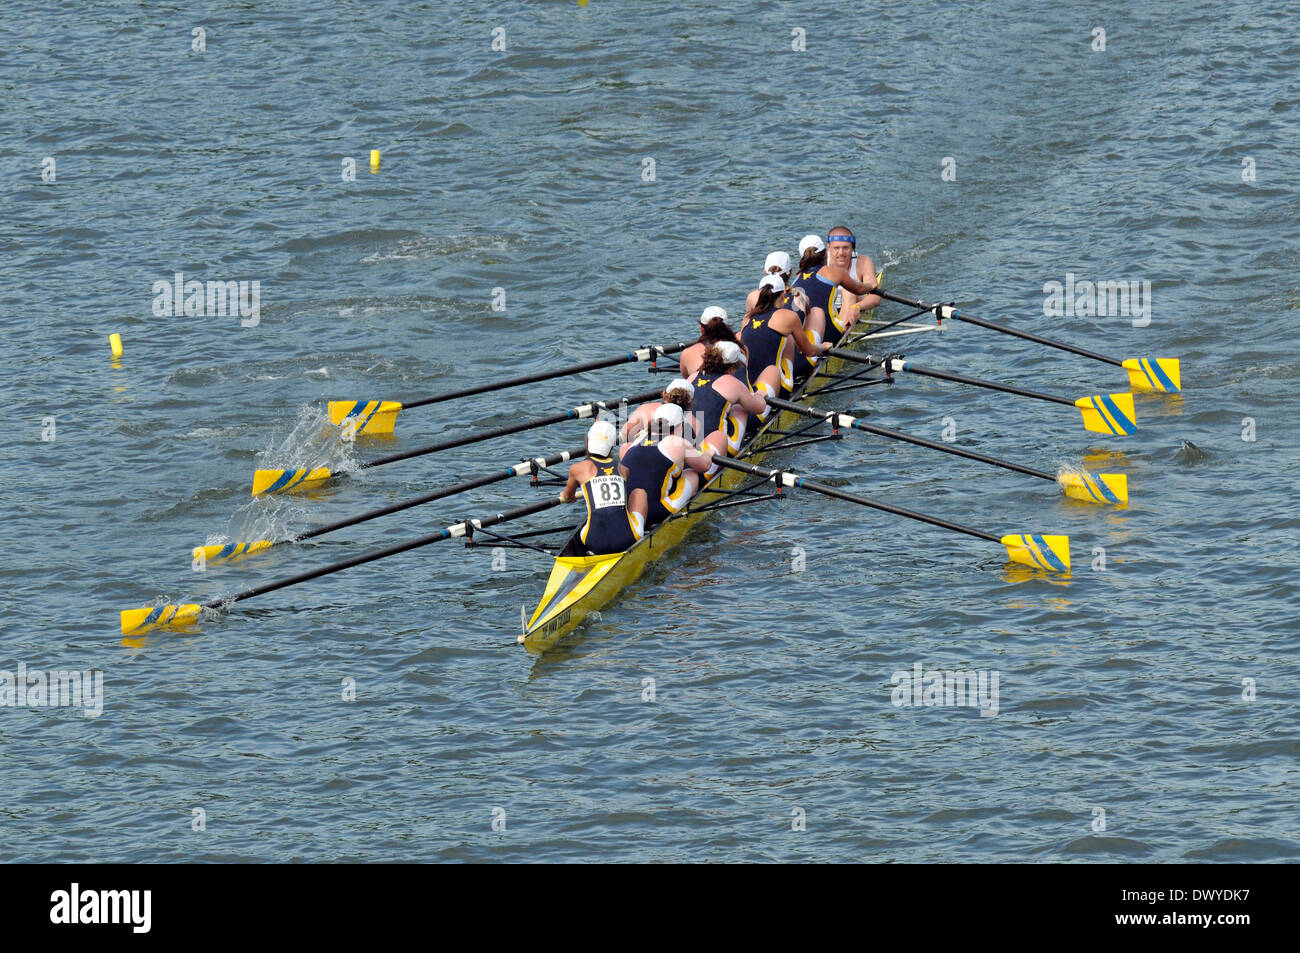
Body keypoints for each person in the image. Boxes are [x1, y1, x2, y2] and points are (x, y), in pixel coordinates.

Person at [620, 402, 712, 533]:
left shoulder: (638, 439)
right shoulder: (679, 442)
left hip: (629, 511)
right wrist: (709, 454)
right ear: (681, 425)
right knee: (692, 474)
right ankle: (687, 499)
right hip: (656, 513)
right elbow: (705, 466)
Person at [741, 273, 829, 399]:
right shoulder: (788, 316)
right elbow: (809, 351)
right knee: (787, 336)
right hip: (779, 387)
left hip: (748, 386)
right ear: (783, 294)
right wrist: (823, 347)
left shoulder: (747, 318)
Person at [559, 420, 640, 556]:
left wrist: (569, 496)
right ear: (612, 445)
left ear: (588, 441)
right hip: (626, 539)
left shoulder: (577, 469)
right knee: (638, 493)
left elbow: (567, 496)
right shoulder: (623, 469)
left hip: (595, 542)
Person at [791, 232, 879, 349]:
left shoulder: (796, 279)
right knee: (849, 291)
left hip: (806, 336)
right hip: (832, 335)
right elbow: (860, 289)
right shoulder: (833, 271)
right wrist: (871, 286)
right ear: (826, 254)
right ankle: (845, 330)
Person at [687, 340, 767, 462]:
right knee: (740, 408)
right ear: (731, 367)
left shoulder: (693, 377)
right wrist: (760, 395)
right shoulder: (732, 383)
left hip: (688, 445)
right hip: (718, 449)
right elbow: (759, 408)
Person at [824, 226, 881, 329]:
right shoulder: (821, 262)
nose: (841, 253)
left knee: (849, 290)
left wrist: (857, 307)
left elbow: (876, 298)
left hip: (855, 304)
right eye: (836, 248)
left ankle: (840, 334)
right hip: (827, 308)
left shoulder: (863, 262)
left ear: (853, 248)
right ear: (828, 248)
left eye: (846, 248)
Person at [679, 306, 742, 379]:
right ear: (726, 327)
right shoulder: (742, 348)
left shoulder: (687, 353)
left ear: (701, 328)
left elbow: (689, 381)